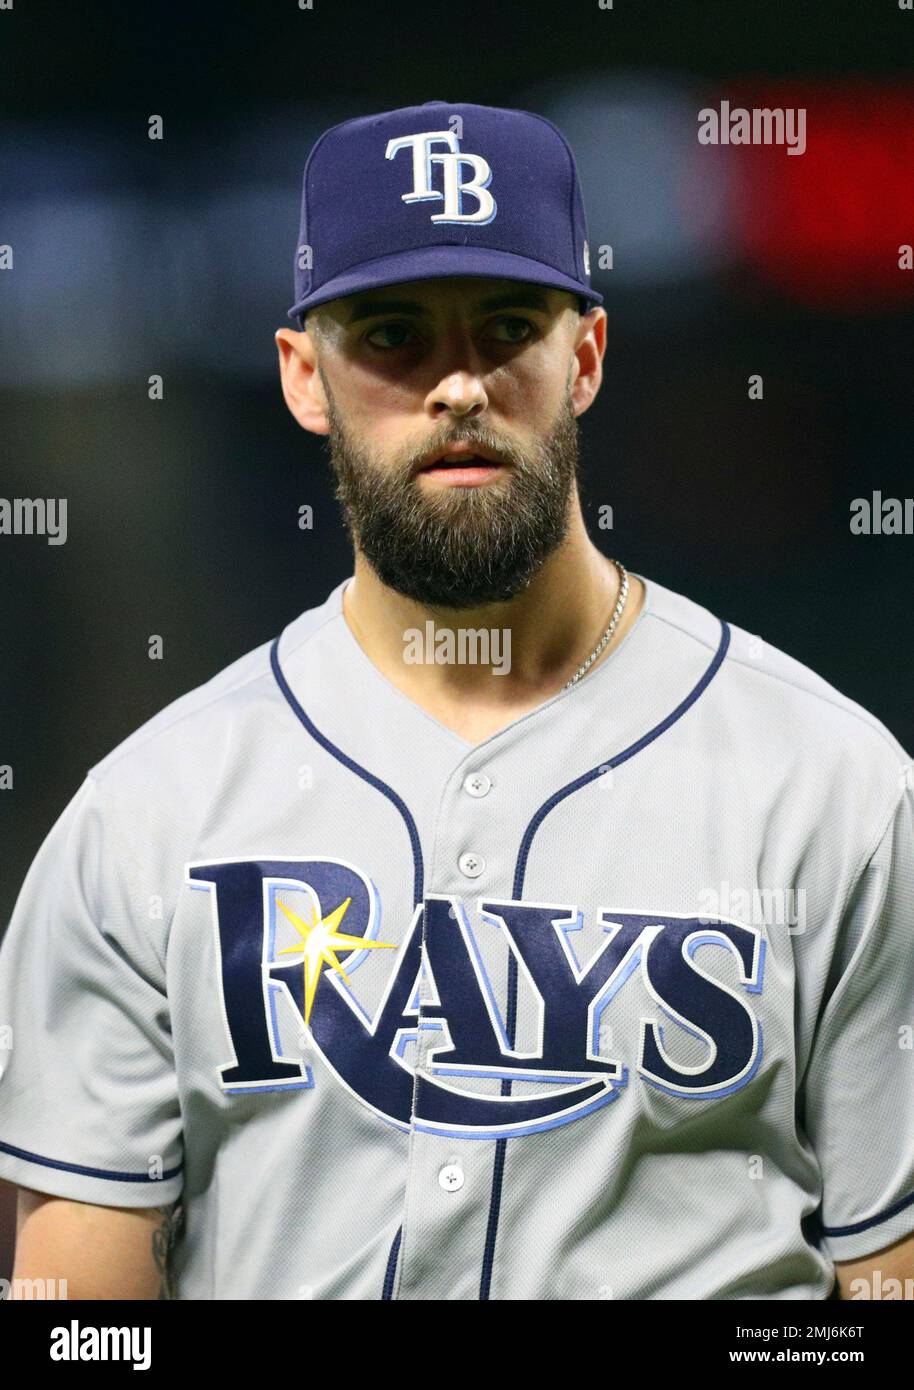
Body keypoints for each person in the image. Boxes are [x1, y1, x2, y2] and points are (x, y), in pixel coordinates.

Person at [1, 100, 912, 1301]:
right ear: (303, 376)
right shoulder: (149, 813)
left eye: (504, 327)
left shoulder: (832, 789)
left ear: (582, 357)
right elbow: (77, 1322)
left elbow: (883, 1285)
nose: (458, 386)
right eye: (391, 334)